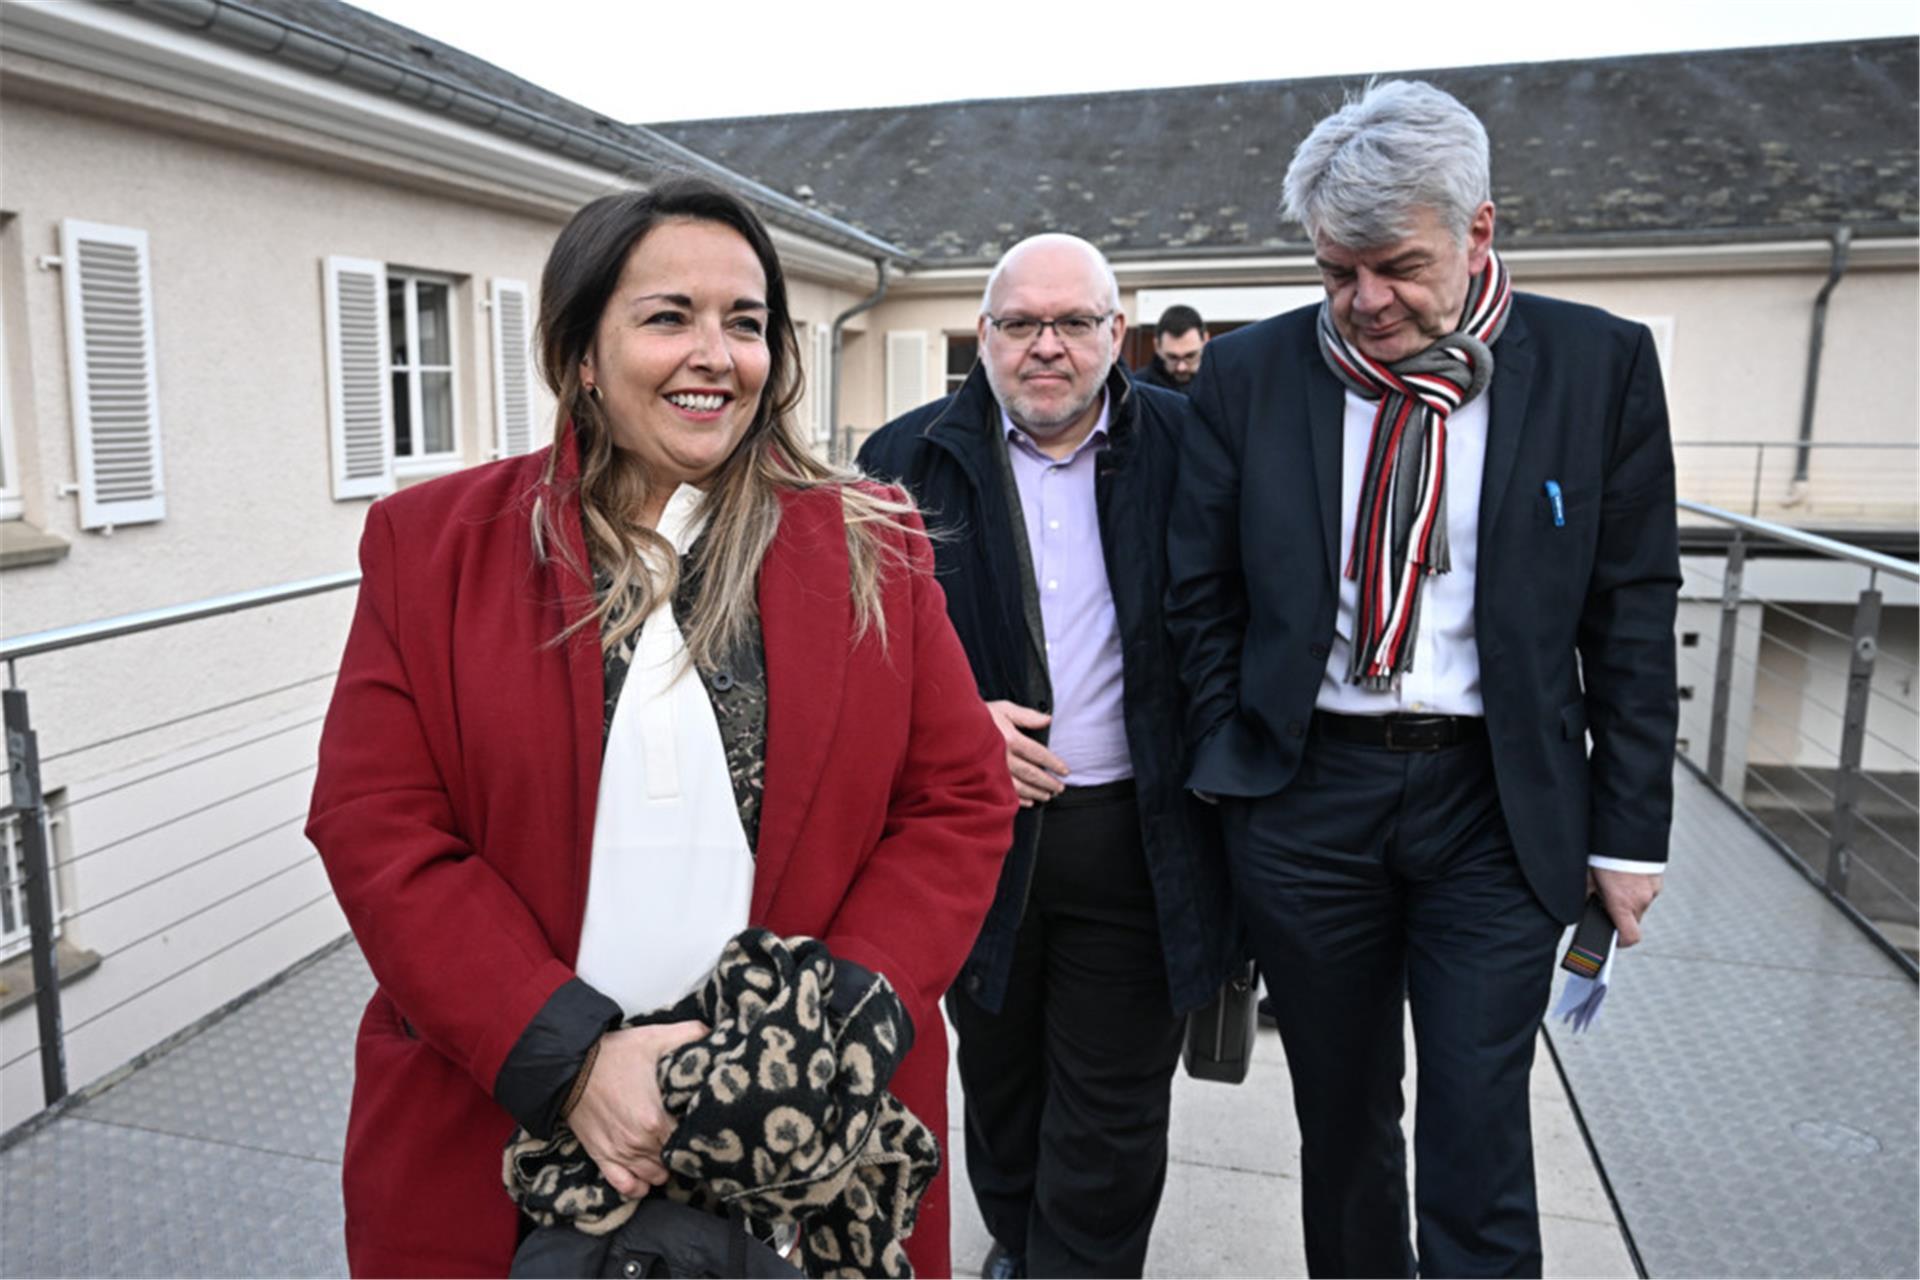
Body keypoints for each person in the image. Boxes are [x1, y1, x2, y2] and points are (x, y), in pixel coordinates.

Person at [307, 178, 1016, 1278]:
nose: (715, 355)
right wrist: (574, 1059)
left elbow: (957, 798)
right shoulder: (431, 545)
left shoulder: (875, 541)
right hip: (501, 1128)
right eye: (667, 316)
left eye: (746, 323)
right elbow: (378, 824)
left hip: (805, 1147)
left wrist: (828, 1029)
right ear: (581, 353)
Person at [1166, 80, 1679, 1278]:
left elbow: (1633, 609)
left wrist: (1631, 833)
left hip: (1498, 805)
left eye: (1395, 266)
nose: (1364, 302)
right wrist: (1233, 760)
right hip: (1307, 801)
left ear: (1479, 232)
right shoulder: (1249, 375)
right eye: (1335, 271)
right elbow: (1200, 592)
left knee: (1476, 1116)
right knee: (1341, 1120)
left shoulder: (1597, 366)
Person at [859, 235, 1235, 1279]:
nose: (1047, 347)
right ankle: (1023, 1247)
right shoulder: (901, 462)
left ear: (1119, 334)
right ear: (984, 337)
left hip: (1138, 837)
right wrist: (955, 720)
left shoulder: (1195, 445)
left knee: (1110, 1114)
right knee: (1005, 1085)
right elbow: (854, 653)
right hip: (972, 840)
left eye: (1074, 323)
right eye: (1021, 323)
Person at [1132, 303, 1208, 391]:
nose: (1181, 368)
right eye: (1173, 357)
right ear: (1157, 346)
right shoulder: (1138, 389)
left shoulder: (1220, 383)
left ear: (1205, 341)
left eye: (1190, 356)